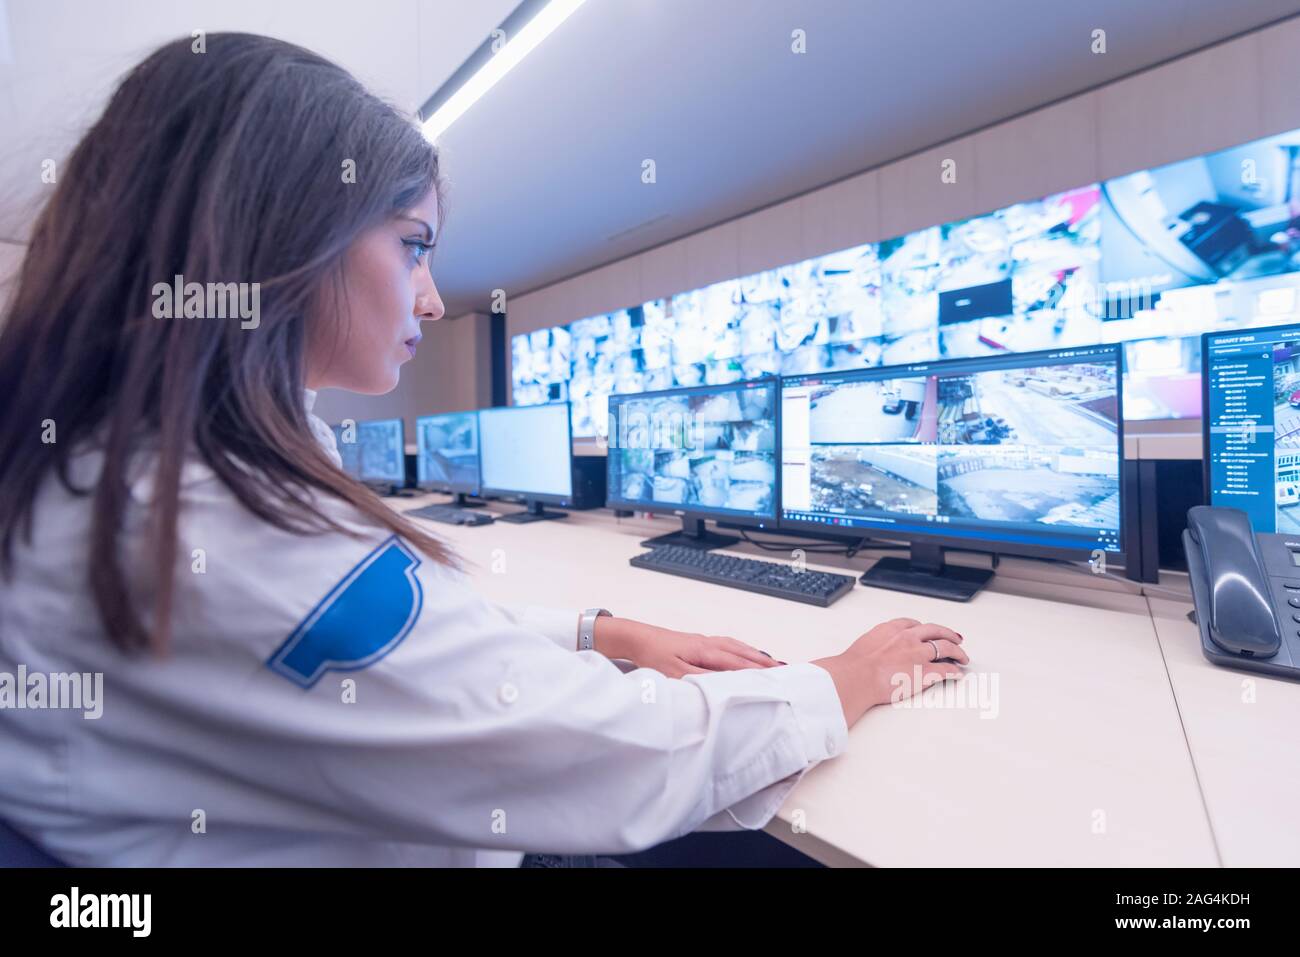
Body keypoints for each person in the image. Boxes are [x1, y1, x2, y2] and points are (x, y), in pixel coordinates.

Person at [0, 33, 968, 867]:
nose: (430, 299)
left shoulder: (112, 470)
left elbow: (397, 640)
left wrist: (603, 631)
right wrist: (840, 680)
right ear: (282, 234)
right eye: (414, 246)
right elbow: (605, 757)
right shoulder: (215, 513)